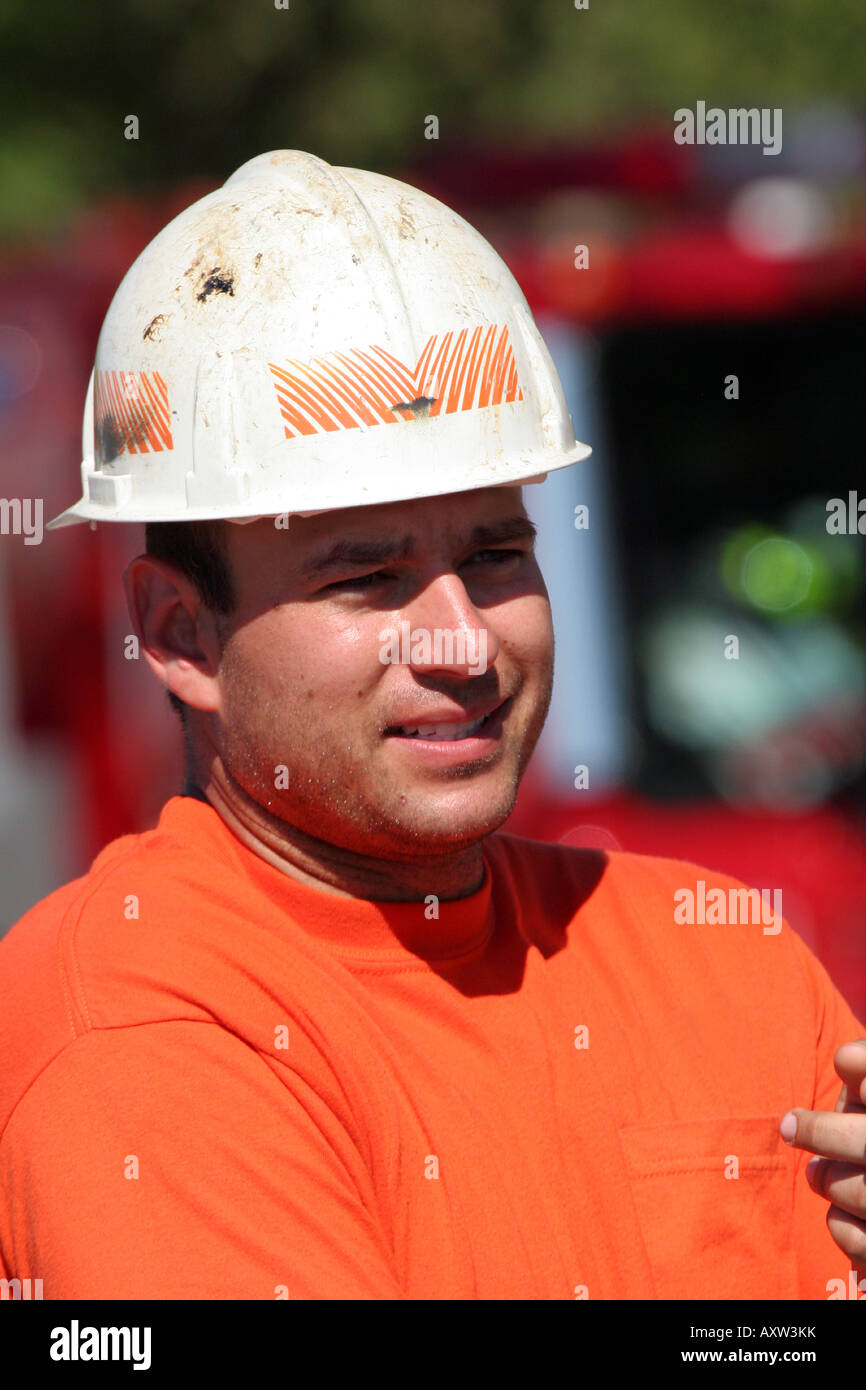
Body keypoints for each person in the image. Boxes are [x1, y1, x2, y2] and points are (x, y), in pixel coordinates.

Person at [1, 150, 864, 1301]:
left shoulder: (723, 956)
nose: (464, 641)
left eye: (495, 554)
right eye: (365, 576)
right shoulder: (135, 1021)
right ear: (181, 636)